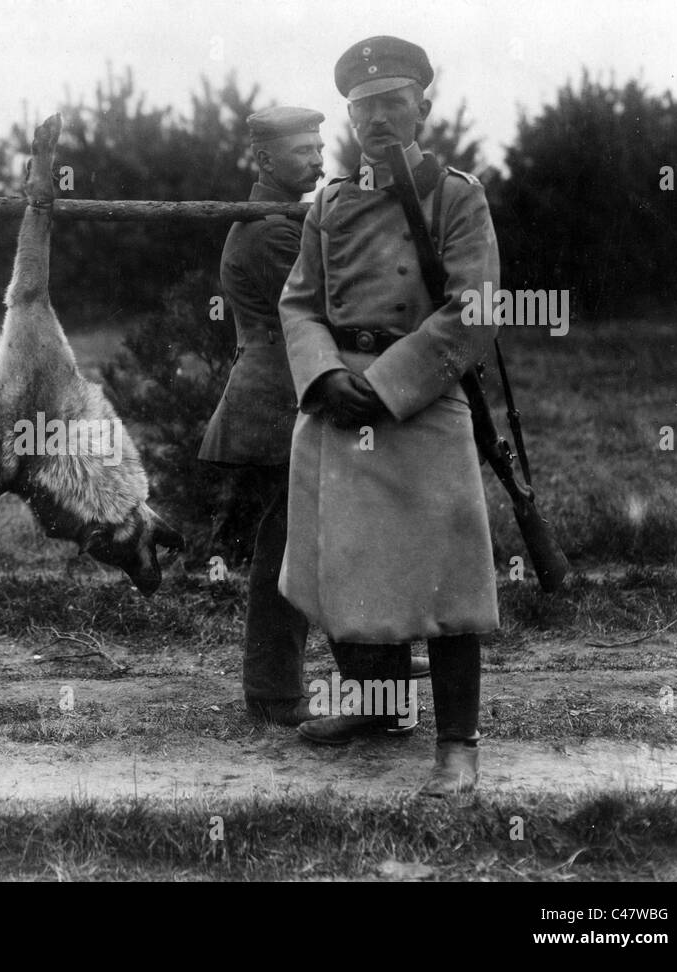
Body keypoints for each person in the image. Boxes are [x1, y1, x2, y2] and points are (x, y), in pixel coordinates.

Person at [277, 37, 500, 796]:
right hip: (340, 400)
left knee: (449, 574)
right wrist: (325, 375)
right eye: (364, 107)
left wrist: (392, 382)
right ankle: (379, 708)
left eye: (392, 103)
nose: (377, 118)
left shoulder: (455, 195)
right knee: (347, 565)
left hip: (424, 396)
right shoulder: (331, 205)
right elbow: (299, 303)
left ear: (422, 109)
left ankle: (458, 745)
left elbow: (475, 308)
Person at [199, 107, 431, 726]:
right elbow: (334, 304)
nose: (316, 157)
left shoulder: (285, 217)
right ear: (265, 161)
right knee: (292, 550)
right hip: (278, 401)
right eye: (302, 149)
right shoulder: (274, 231)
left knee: (305, 543)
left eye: (319, 144)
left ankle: (360, 670)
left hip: (285, 394)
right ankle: (279, 692)